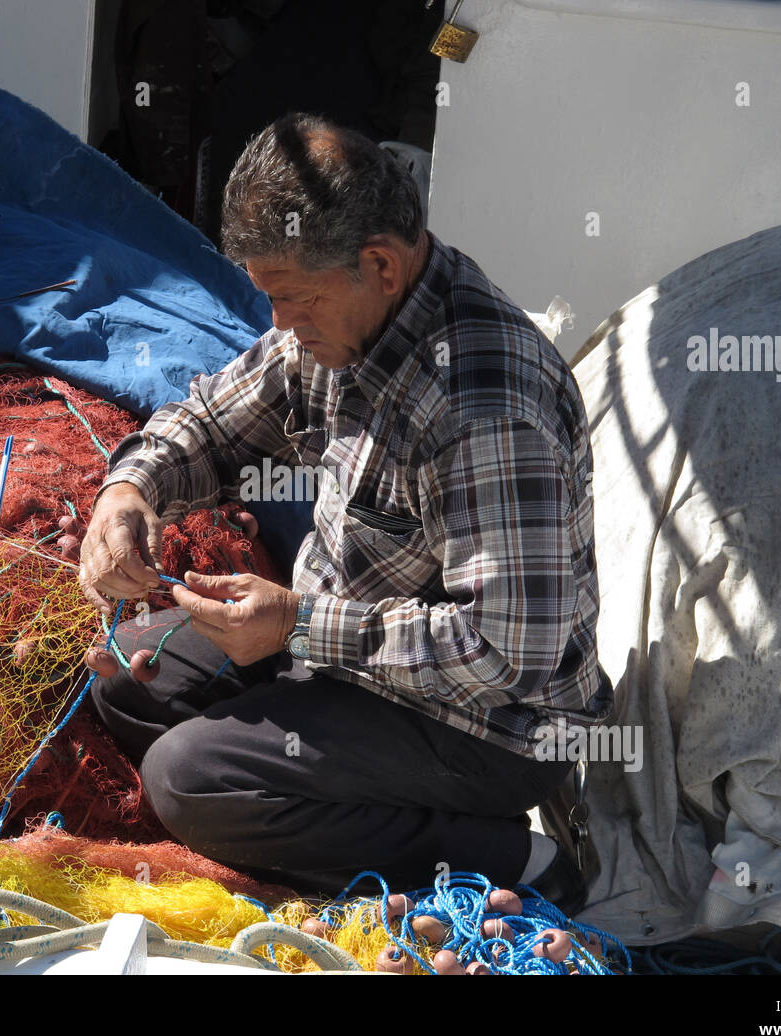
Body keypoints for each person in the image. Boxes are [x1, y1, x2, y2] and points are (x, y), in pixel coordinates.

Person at [66, 113, 612, 908]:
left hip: (489, 728)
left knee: (186, 781)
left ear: (380, 264)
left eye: (294, 300)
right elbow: (214, 423)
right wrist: (129, 491)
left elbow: (504, 654)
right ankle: (325, 812)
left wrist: (294, 624)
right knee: (127, 681)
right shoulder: (341, 323)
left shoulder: (487, 408)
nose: (281, 325)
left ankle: (509, 859)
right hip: (347, 654)